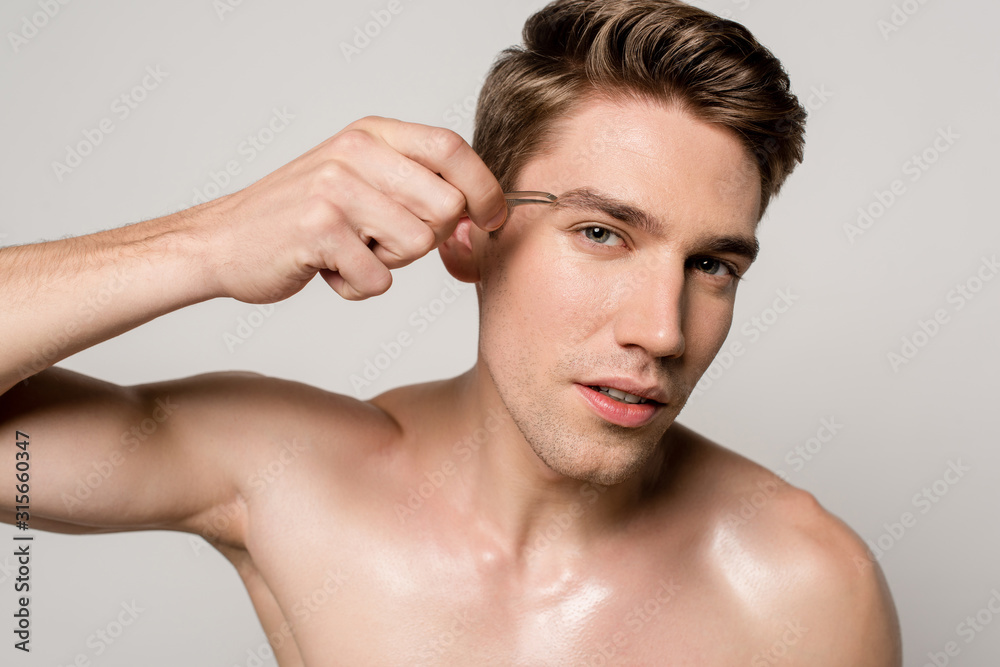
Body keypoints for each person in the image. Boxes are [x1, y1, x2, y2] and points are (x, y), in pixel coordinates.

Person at [1, 0, 901, 663]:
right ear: (473, 235)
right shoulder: (287, 476)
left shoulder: (805, 589)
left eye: (712, 265)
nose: (661, 330)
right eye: (601, 233)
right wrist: (206, 244)